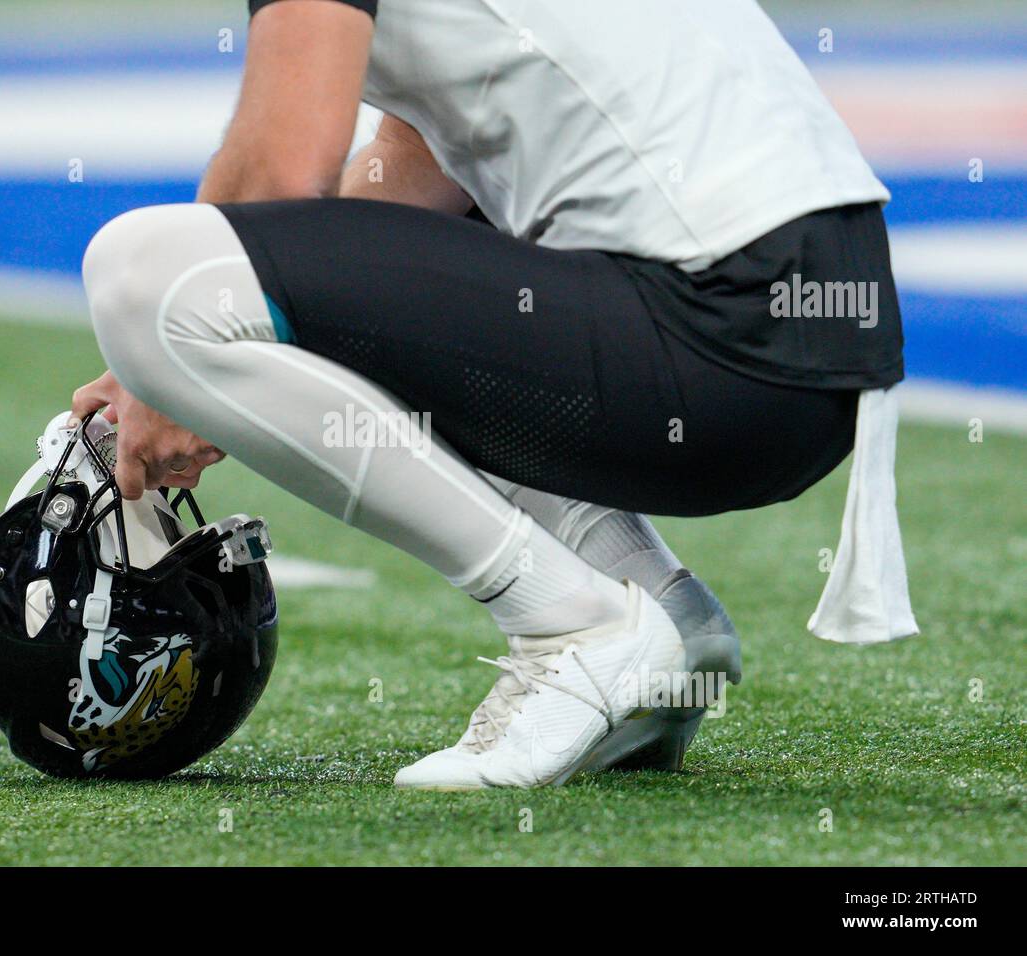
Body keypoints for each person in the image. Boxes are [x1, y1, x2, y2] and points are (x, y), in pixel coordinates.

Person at [68, 0, 915, 790]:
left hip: (709, 340)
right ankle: (658, 606)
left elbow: (280, 171)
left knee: (139, 271)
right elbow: (419, 164)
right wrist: (202, 340)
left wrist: (166, 345)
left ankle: (574, 625)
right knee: (286, 282)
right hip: (807, 361)